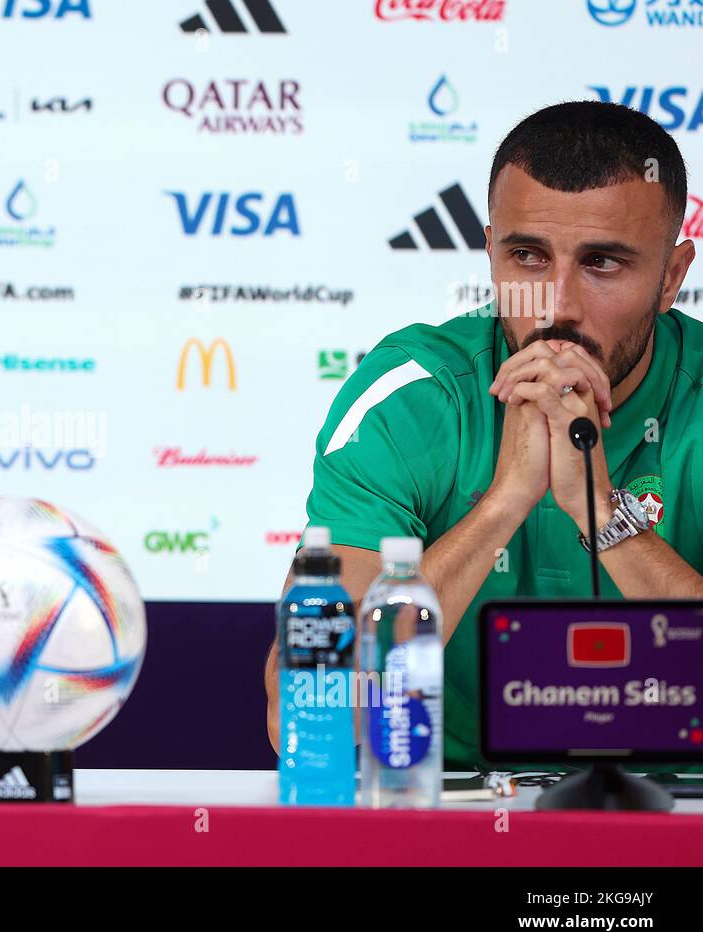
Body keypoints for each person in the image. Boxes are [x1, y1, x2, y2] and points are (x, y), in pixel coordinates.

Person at [267, 100, 700, 769]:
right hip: (456, 819)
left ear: (672, 277)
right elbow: (309, 711)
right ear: (491, 253)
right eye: (527, 257)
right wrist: (501, 505)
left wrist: (601, 514)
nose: (556, 306)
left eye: (603, 263)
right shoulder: (409, 399)